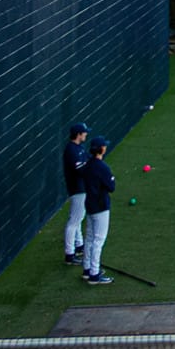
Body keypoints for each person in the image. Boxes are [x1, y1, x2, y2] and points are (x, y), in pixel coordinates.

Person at [80, 136, 115, 285]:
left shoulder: (87, 165)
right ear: (101, 149)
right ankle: (94, 274)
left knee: (89, 238)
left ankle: (87, 270)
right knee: (98, 240)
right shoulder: (102, 167)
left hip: (90, 205)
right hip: (101, 207)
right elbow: (111, 187)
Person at [61, 122, 90, 266]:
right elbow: (81, 170)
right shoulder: (71, 150)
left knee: (78, 218)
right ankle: (69, 254)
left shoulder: (77, 148)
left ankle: (79, 246)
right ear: (78, 134)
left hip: (81, 187)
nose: (86, 134)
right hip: (78, 188)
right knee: (74, 221)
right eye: (84, 132)